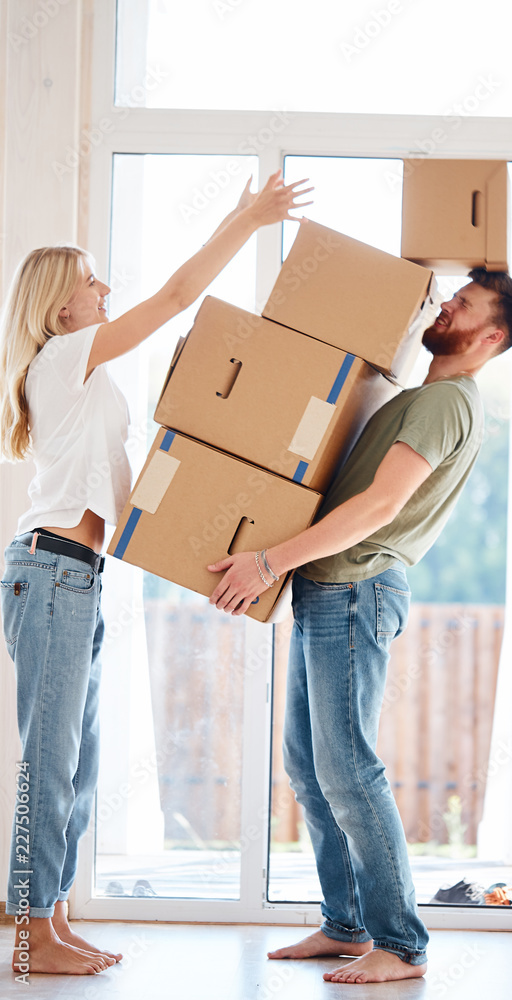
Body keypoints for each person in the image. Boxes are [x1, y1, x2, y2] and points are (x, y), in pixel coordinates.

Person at [0, 171, 312, 977]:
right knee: (51, 758)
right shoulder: (65, 355)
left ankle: (55, 925)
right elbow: (176, 295)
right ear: (57, 305)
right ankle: (30, 940)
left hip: (78, 577)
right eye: (89, 280)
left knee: (80, 759)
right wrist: (247, 218)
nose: (104, 288)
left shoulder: (83, 374)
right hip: (50, 574)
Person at [208, 269, 512, 986]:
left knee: (349, 771)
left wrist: (267, 563)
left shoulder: (446, 401)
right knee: (311, 765)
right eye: (451, 297)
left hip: (354, 589)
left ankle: (401, 943)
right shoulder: (427, 395)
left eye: (464, 306)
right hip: (329, 589)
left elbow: (379, 507)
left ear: (489, 339)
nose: (446, 306)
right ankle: (346, 924)